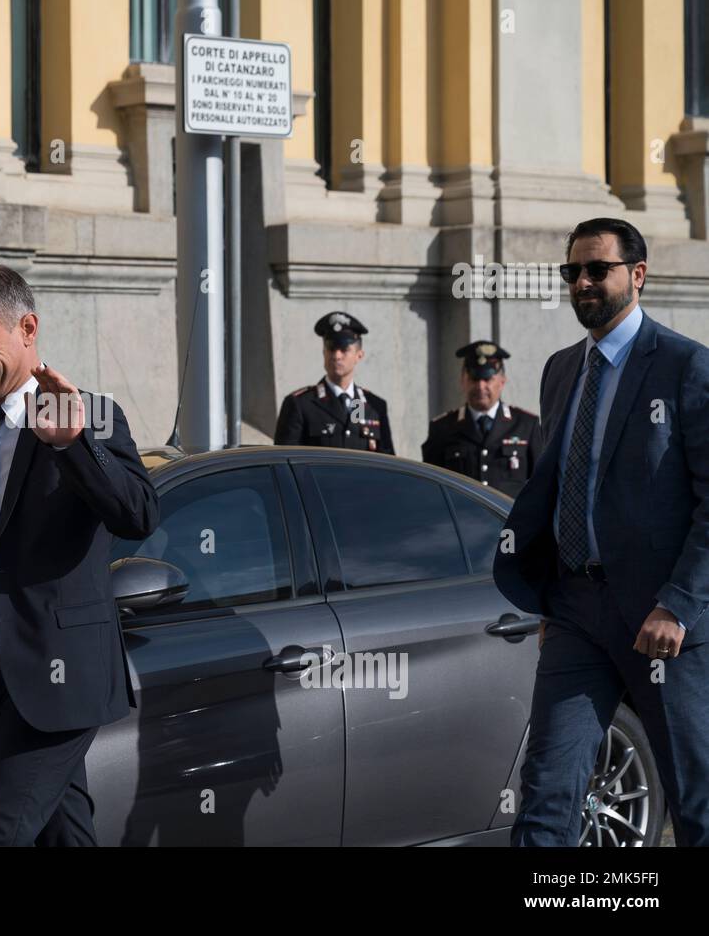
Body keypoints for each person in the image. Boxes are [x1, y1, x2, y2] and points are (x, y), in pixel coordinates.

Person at [0, 264, 159, 846]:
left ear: (27, 328)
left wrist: (74, 445)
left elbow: (137, 515)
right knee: (62, 835)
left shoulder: (89, 414)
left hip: (58, 672)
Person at [493, 217, 709, 846]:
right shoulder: (562, 370)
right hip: (574, 613)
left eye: (597, 270)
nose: (582, 283)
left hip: (662, 619)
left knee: (695, 803)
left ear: (636, 276)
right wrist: (545, 590)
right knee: (547, 796)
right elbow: (557, 484)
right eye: (572, 272)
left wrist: (679, 603)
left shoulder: (686, 366)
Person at [421, 341, 543, 496]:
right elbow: (430, 489)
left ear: (502, 382)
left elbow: (541, 486)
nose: (480, 386)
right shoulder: (442, 428)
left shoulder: (526, 426)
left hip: (511, 519)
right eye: (474, 379)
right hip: (461, 519)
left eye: (487, 379)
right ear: (462, 381)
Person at [274, 311, 394, 453]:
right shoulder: (301, 404)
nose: (336, 356)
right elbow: (286, 460)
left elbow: (387, 463)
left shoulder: (372, 406)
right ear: (324, 353)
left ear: (359, 355)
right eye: (331, 349)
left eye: (344, 350)